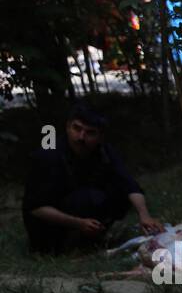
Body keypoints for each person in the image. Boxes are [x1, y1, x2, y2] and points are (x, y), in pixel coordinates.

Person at [23, 103, 163, 254]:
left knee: (119, 191)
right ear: (67, 127)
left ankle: (93, 236)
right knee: (89, 198)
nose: (81, 137)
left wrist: (145, 215)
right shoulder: (49, 154)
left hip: (81, 210)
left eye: (90, 133)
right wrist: (78, 223)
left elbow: (128, 183)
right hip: (48, 229)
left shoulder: (103, 151)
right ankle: (72, 244)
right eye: (77, 129)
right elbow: (36, 208)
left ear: (100, 137)